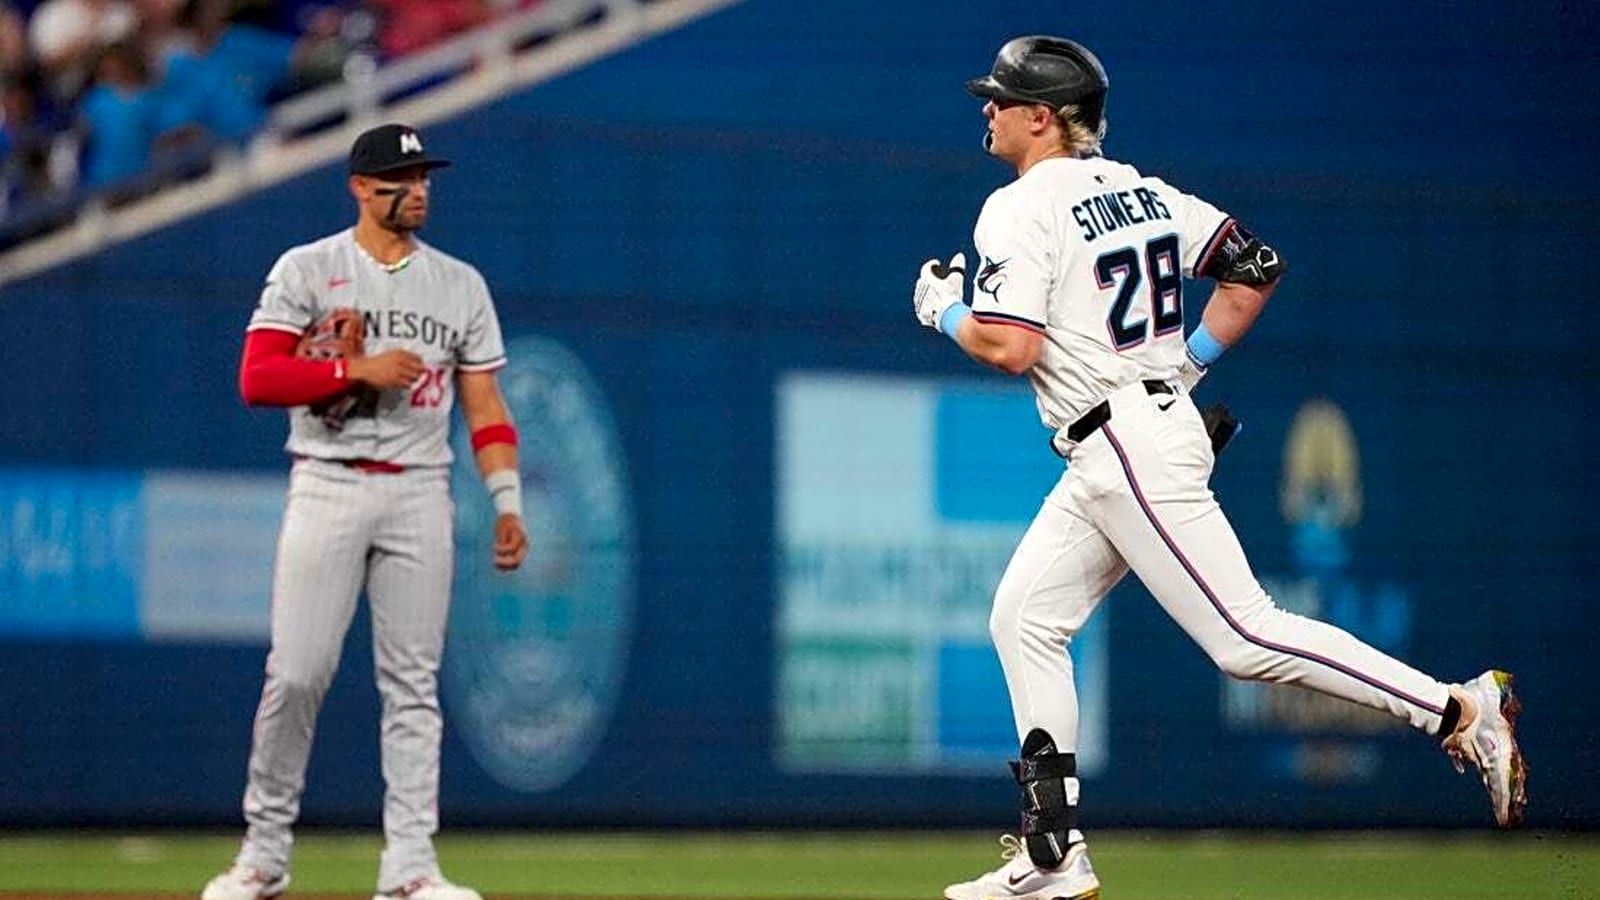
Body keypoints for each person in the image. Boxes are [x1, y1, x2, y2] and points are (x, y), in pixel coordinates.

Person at [912, 36, 1528, 900]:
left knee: (1245, 636)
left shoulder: (1018, 208)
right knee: (1025, 617)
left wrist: (943, 310)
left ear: (1044, 118)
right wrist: (1187, 368)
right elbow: (1255, 266)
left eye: (1002, 98)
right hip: (1143, 428)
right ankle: (1053, 855)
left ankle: (1460, 710)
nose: (988, 108)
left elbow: (1011, 345)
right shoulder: (1146, 192)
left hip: (1123, 441)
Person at [203, 122, 530, 900]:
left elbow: (484, 401)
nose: (416, 190)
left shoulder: (460, 284)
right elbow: (258, 379)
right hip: (329, 480)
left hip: (420, 489)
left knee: (413, 686)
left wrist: (507, 499)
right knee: (298, 672)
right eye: (399, 179)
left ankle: (410, 870)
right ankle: (263, 855)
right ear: (358, 187)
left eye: (422, 178)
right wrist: (356, 367)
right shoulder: (309, 267)